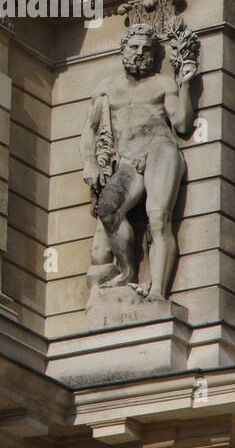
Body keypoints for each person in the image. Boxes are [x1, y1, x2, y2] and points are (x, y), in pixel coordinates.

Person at [81, 23, 196, 301]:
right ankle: (128, 271)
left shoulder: (162, 84)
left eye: (146, 49)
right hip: (128, 159)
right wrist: (90, 164)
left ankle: (157, 290)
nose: (140, 53)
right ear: (123, 49)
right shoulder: (106, 89)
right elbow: (89, 129)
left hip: (160, 150)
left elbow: (181, 124)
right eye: (134, 47)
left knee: (158, 220)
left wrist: (185, 84)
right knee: (107, 210)